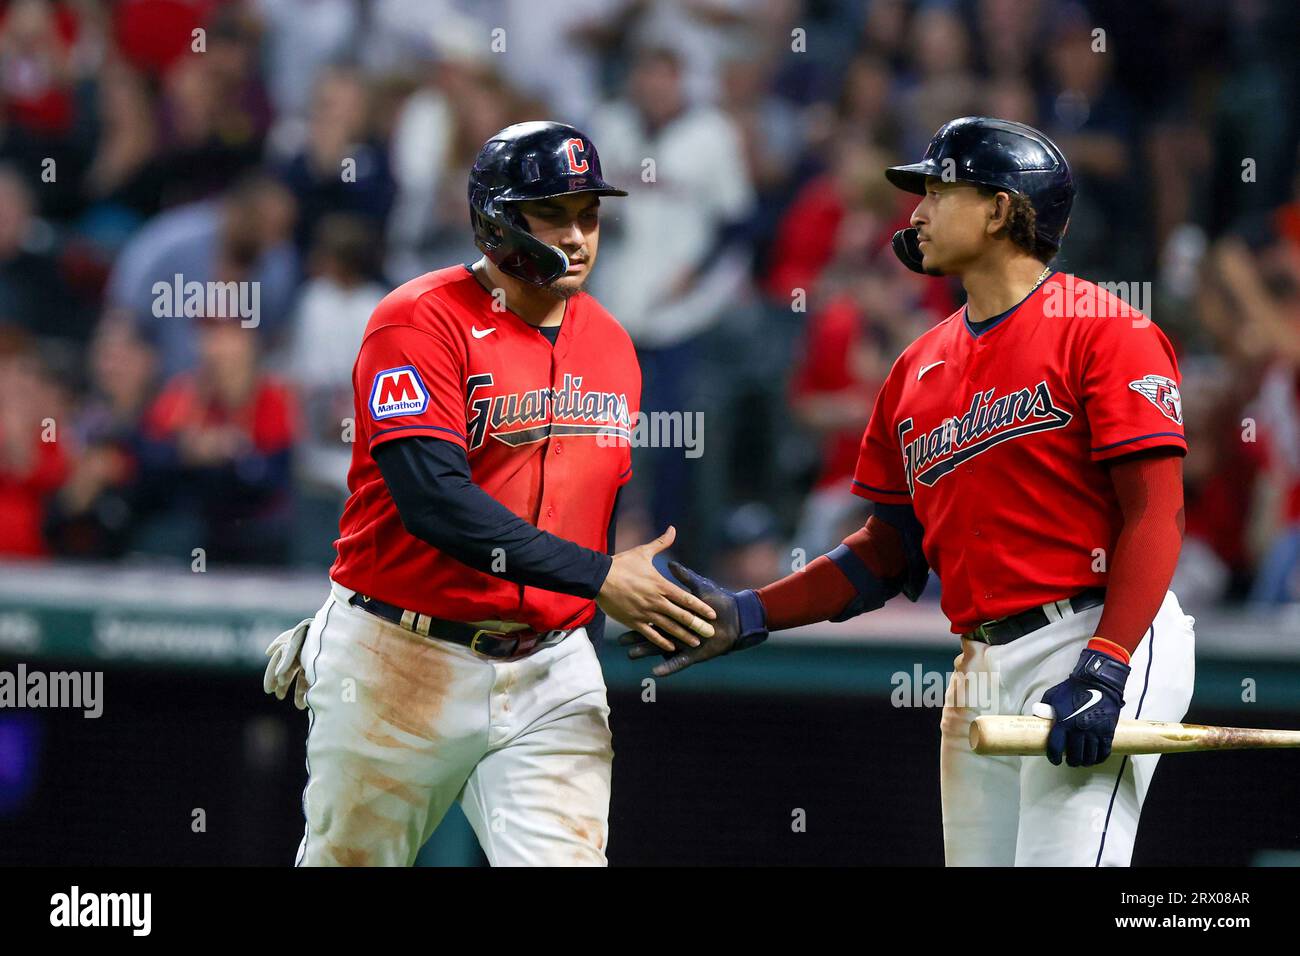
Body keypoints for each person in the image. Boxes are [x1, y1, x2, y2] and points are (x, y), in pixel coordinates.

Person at [627, 117, 1196, 868]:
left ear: (1000, 209)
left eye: (938, 190)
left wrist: (1109, 661)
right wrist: (750, 612)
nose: (916, 212)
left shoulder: (1102, 328)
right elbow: (886, 554)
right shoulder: (917, 365)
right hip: (980, 663)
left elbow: (1156, 513)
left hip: (1094, 631)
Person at [264, 122, 716, 867]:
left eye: (590, 214)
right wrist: (603, 579)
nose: (578, 236)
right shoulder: (417, 320)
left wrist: (608, 606)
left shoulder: (613, 345)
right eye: (554, 213)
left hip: (551, 670)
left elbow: (595, 519)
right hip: (403, 650)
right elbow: (434, 501)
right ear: (495, 220)